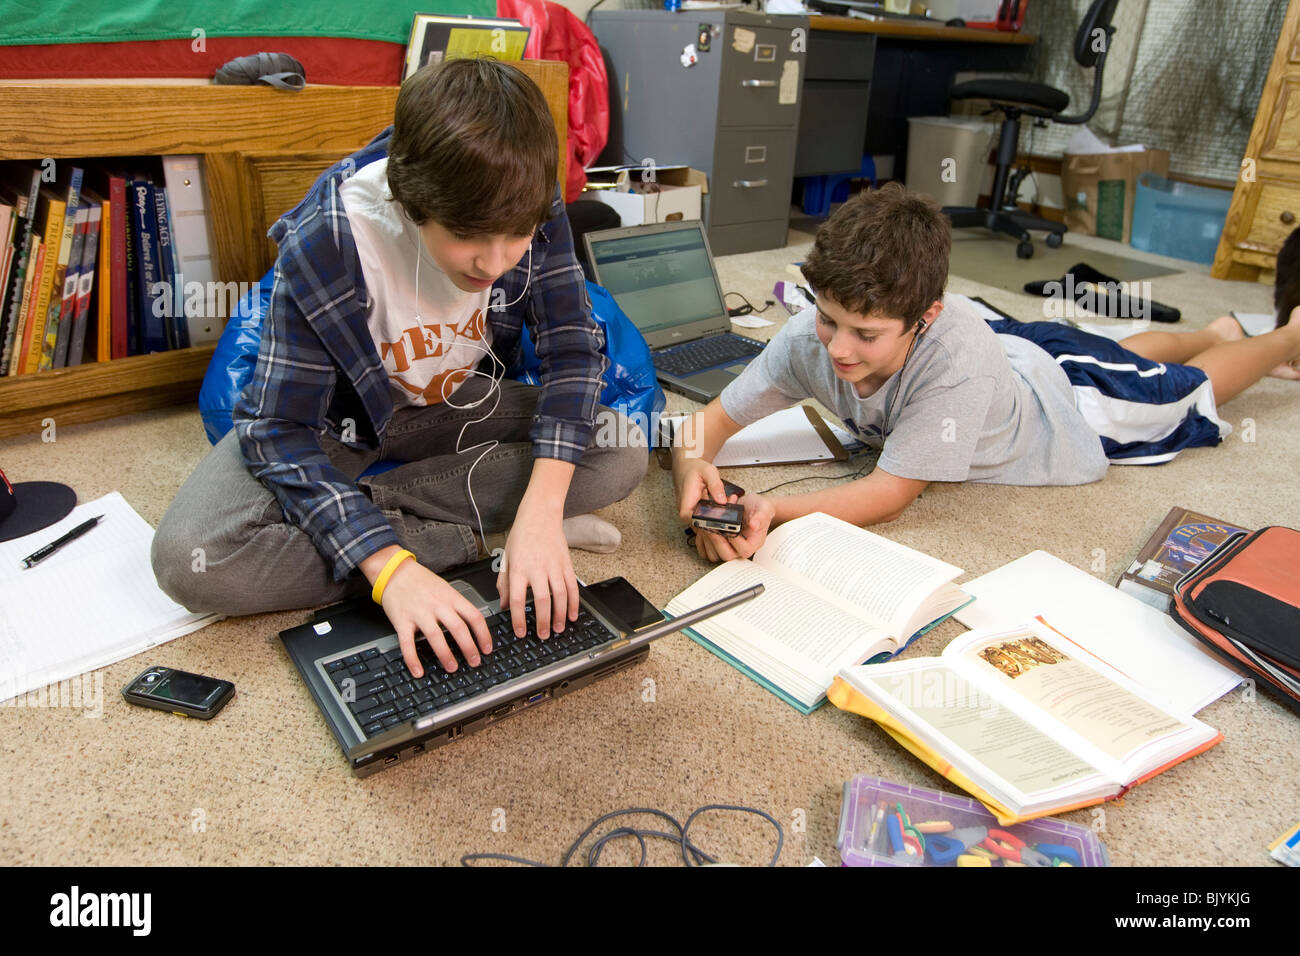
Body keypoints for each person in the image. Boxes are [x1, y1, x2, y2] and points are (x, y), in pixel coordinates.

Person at [153, 58, 646, 676]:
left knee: (620, 446)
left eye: (516, 235)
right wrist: (389, 570)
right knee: (191, 558)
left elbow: (573, 352)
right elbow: (274, 430)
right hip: (339, 424)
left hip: (452, 407)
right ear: (413, 201)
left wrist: (542, 512)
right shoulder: (328, 241)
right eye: (469, 236)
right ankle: (476, 539)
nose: (495, 262)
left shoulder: (523, 191)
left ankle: (475, 524)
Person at [673, 183, 1300, 563]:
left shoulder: (954, 364)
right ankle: (1213, 331)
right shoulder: (804, 339)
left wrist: (770, 511)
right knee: (1111, 345)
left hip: (1067, 401)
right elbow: (707, 425)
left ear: (925, 316)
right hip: (1012, 347)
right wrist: (693, 473)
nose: (838, 348)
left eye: (867, 335)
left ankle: (1288, 333)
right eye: (829, 320)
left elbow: (889, 494)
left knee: (1182, 393)